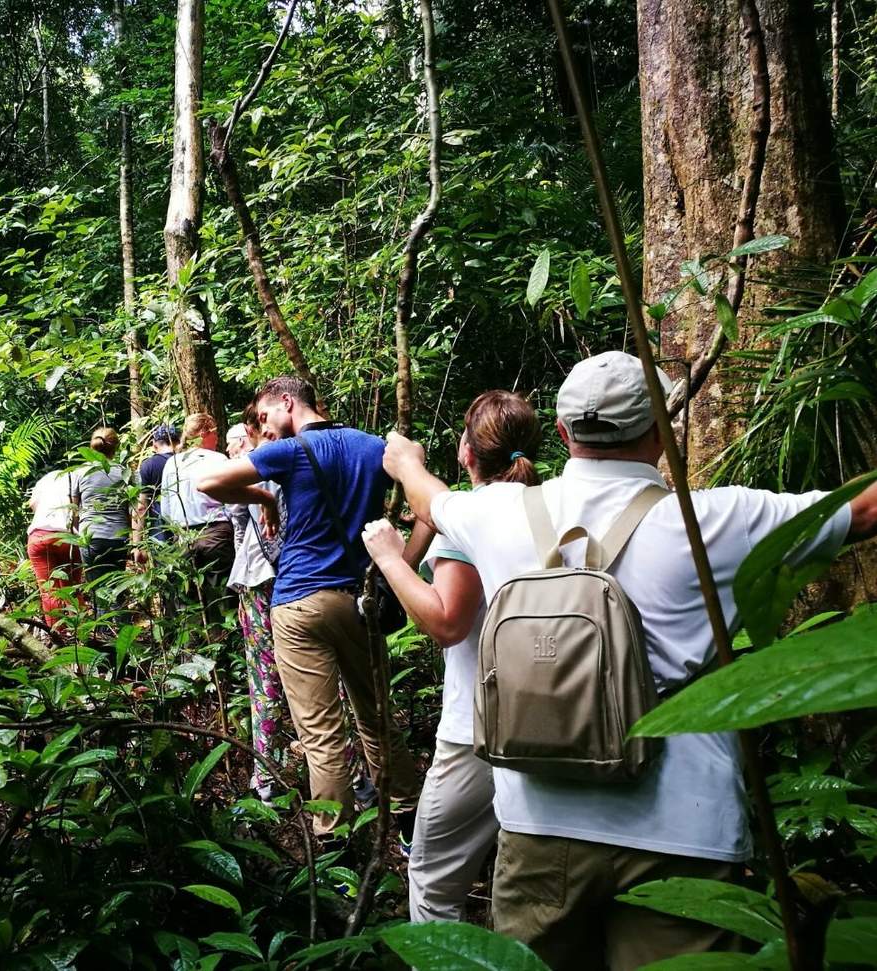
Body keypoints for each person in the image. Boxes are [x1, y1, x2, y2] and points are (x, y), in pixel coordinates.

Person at [382, 350, 877, 969]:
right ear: (663, 430)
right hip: (682, 833)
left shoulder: (495, 512)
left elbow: (434, 501)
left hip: (539, 827)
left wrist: (406, 463)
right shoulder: (713, 521)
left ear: (563, 434)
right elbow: (862, 509)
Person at [197, 376, 419, 849]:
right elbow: (429, 509)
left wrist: (261, 495)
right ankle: (407, 821)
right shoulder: (372, 445)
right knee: (376, 716)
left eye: (263, 416)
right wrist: (400, 565)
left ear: (286, 402)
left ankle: (335, 845)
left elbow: (208, 481)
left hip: (298, 602)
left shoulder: (289, 453)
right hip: (360, 600)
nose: (264, 426)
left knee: (321, 733)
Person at [362, 391, 541, 923]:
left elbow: (447, 622)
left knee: (433, 878)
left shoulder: (470, 523)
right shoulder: (549, 510)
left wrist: (393, 561)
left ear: (466, 451)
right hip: (549, 719)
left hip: (477, 731)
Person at [225, 412, 288, 800]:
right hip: (299, 576)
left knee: (264, 680)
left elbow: (235, 521)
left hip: (258, 577)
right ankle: (350, 775)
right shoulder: (303, 454)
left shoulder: (253, 466)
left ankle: (267, 776)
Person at [160, 413, 236, 593]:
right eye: (215, 433)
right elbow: (232, 501)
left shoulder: (172, 463)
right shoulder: (218, 460)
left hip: (183, 537)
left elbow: (166, 509)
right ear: (204, 433)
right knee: (221, 594)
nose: (218, 439)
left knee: (189, 595)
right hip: (216, 534)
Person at [72, 427, 133, 603]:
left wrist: (77, 532)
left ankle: (103, 630)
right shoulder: (124, 472)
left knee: (98, 590)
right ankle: (122, 624)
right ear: (116, 448)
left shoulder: (80, 472)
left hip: (91, 535)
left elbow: (74, 510)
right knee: (118, 588)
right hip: (118, 537)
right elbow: (131, 510)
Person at [26, 464, 80, 633]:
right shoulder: (77, 477)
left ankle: (58, 637)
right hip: (67, 537)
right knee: (72, 589)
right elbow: (78, 511)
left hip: (39, 537)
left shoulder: (45, 479)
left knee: (49, 591)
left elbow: (32, 504)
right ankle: (79, 636)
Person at [136, 424, 181, 547]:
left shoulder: (148, 465)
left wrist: (137, 545)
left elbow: (141, 507)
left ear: (154, 444)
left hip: (160, 532)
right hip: (187, 528)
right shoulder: (185, 461)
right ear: (178, 441)